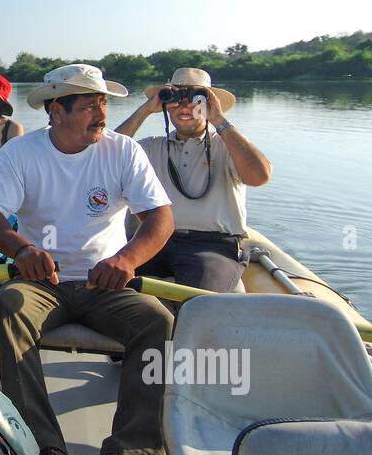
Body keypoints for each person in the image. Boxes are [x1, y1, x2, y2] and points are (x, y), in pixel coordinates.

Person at [0, 63, 175, 455]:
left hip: (103, 282)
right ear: (55, 110)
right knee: (8, 306)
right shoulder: (20, 154)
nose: (100, 112)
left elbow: (160, 219)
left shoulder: (123, 152)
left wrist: (126, 260)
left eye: (103, 102)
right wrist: (22, 249)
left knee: (158, 322)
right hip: (40, 283)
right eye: (88, 104)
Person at [113, 67, 272, 293]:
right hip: (154, 240)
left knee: (199, 300)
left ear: (209, 103)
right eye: (176, 98)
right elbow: (103, 156)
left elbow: (259, 176)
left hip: (212, 246)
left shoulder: (228, 145)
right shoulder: (151, 147)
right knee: (109, 284)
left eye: (197, 99)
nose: (186, 106)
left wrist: (218, 119)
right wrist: (145, 110)